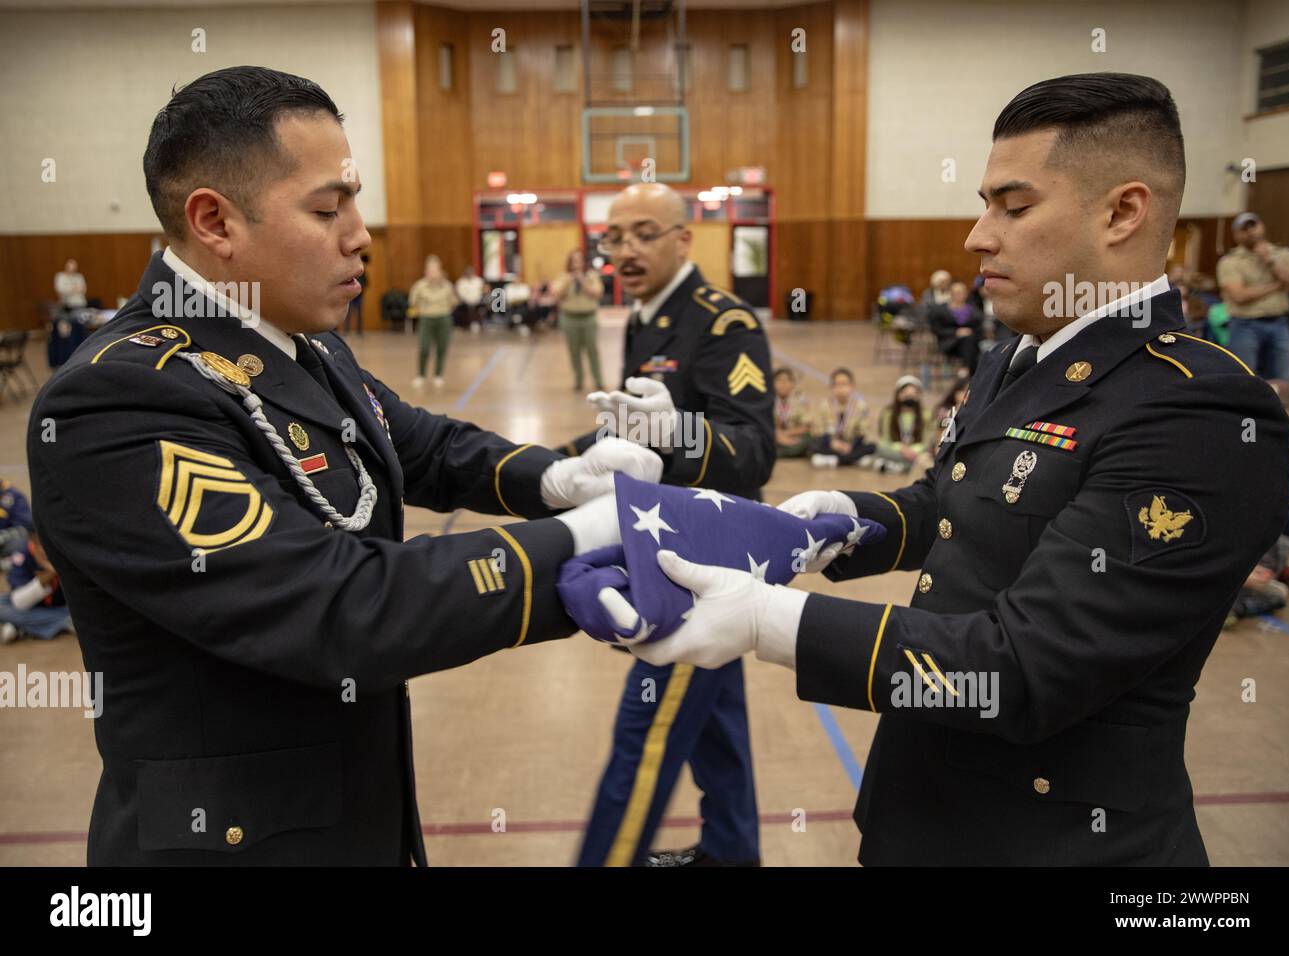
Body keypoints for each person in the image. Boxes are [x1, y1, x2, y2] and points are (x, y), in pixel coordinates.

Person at [608, 73, 1289, 865]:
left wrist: (773, 622)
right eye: (983, 203)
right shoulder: (1020, 360)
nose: (977, 235)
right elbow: (954, 505)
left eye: (1013, 205)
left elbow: (1026, 668)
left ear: (1122, 212)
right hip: (921, 812)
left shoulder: (1199, 412)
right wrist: (840, 522)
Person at [26, 66, 659, 866]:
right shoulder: (116, 401)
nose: (360, 233)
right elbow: (338, 603)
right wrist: (574, 545)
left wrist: (557, 477)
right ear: (215, 221)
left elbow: (416, 443)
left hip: (355, 815)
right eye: (327, 208)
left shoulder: (297, 336)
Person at [559, 182, 775, 867]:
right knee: (716, 725)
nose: (624, 250)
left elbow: (753, 448)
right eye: (614, 238)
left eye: (642, 234)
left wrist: (674, 430)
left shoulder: (724, 323)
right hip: (669, 553)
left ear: (685, 239)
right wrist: (544, 466)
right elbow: (628, 432)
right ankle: (732, 851)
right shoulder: (645, 319)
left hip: (702, 567)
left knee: (644, 743)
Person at [1216, 213, 1289, 390]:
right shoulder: (1230, 261)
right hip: (1245, 326)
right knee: (1244, 382)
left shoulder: (1283, 254)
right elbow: (1239, 296)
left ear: (1262, 226)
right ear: (1236, 235)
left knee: (1281, 383)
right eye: (1244, 229)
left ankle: (1275, 417)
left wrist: (1269, 260)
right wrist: (1277, 286)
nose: (1250, 231)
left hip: (1280, 324)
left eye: (1253, 225)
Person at [0, 532, 74, 644]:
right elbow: (19, 603)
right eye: (42, 547)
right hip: (34, 609)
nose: (46, 552)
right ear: (33, 543)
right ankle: (61, 622)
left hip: (64, 607)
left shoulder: (69, 552)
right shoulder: (22, 555)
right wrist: (49, 575)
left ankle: (22, 629)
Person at [554, 249, 605, 392]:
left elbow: (597, 293)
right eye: (574, 260)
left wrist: (582, 281)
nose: (577, 263)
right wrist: (568, 281)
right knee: (573, 351)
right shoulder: (563, 277)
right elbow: (557, 294)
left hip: (588, 318)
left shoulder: (591, 276)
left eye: (579, 260)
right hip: (570, 319)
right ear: (569, 262)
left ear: (584, 262)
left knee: (592, 350)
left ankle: (598, 380)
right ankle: (578, 380)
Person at [408, 254, 458, 388]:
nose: (433, 272)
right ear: (426, 270)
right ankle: (421, 376)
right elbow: (413, 301)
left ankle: (438, 375)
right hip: (426, 319)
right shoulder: (420, 286)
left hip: (443, 319)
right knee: (424, 348)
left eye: (435, 269)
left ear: (440, 270)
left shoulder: (447, 285)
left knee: (442, 348)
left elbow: (454, 302)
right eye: (430, 269)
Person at [809, 367, 873, 468]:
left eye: (844, 384)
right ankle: (850, 459)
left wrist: (851, 446)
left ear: (852, 386)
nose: (841, 388)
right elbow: (819, 430)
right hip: (831, 445)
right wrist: (832, 443)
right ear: (831, 387)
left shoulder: (860, 406)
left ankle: (837, 460)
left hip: (851, 445)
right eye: (837, 385)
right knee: (813, 445)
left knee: (872, 447)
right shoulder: (825, 405)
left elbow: (863, 432)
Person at [871, 375, 932, 475]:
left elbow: (927, 440)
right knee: (879, 448)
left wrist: (913, 450)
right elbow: (885, 440)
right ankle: (907, 467)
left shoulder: (926, 414)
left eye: (913, 394)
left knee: (925, 455)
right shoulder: (888, 413)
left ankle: (895, 467)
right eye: (905, 393)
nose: (909, 397)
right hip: (896, 450)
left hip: (916, 451)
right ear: (898, 395)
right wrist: (901, 448)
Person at [931, 280, 985, 375]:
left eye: (963, 292)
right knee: (969, 342)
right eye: (957, 293)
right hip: (949, 342)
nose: (960, 295)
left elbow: (979, 329)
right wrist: (956, 332)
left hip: (971, 342)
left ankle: (967, 370)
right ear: (951, 294)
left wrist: (968, 332)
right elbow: (936, 329)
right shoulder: (941, 310)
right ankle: (970, 371)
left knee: (969, 340)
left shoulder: (974, 310)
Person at [773, 367, 814, 458]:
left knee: (808, 439)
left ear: (793, 384)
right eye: (779, 381)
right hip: (773, 436)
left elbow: (807, 426)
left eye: (787, 381)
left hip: (793, 436)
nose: (783, 384)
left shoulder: (801, 401)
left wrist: (786, 434)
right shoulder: (767, 401)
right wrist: (778, 437)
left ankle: (775, 453)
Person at [342, 252, 368, 335]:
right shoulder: (351, 270)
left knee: (359, 314)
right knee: (348, 313)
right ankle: (346, 330)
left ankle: (359, 331)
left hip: (359, 296)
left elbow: (366, 283)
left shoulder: (363, 272)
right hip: (351, 295)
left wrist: (362, 290)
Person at [455, 266, 486, 332]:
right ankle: (470, 323)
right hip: (465, 302)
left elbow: (484, 290)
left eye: (471, 272)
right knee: (467, 307)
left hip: (478, 301)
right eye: (467, 272)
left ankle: (476, 323)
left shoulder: (479, 280)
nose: (469, 273)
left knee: (478, 306)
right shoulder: (461, 282)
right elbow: (459, 294)